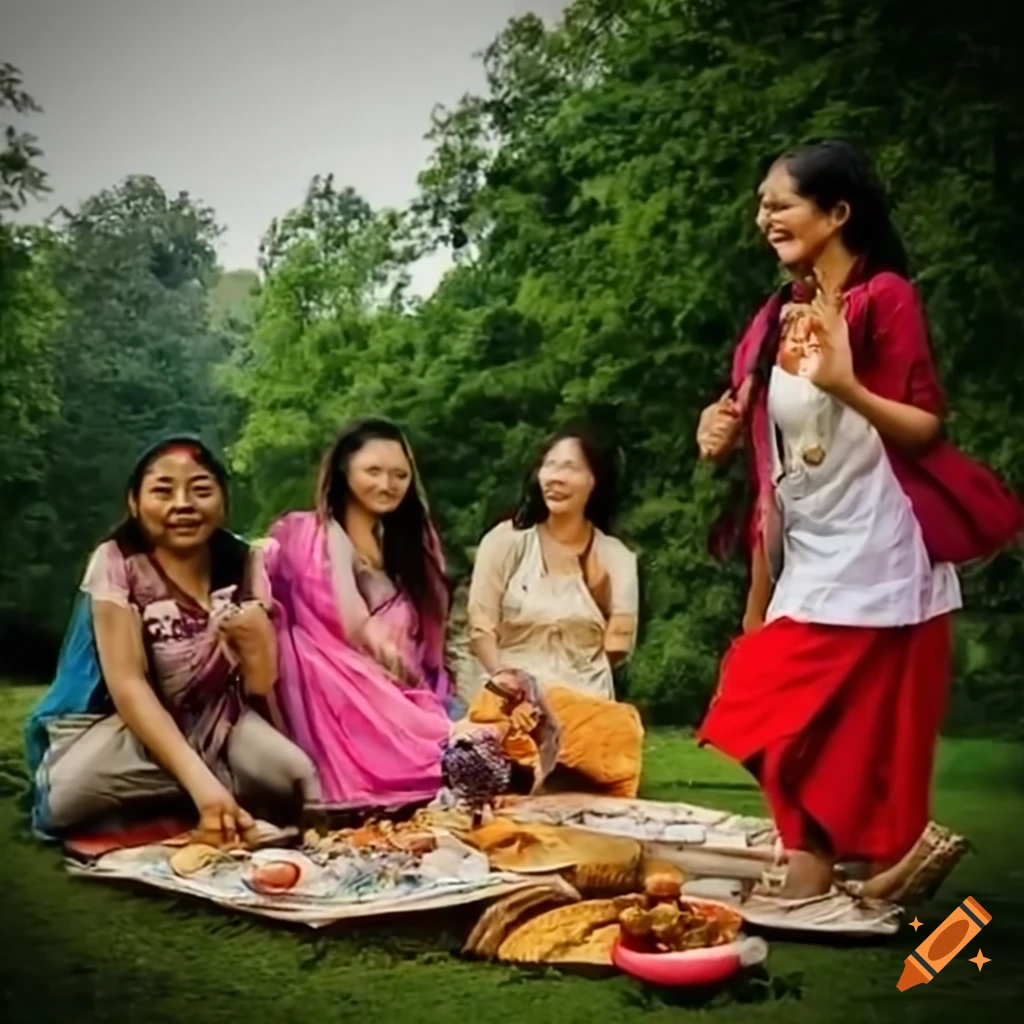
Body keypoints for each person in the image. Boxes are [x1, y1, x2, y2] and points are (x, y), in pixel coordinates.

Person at [695, 141, 1022, 901]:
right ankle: (817, 856)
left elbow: (924, 428)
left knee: (806, 711)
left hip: (880, 539)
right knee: (759, 699)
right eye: (761, 204)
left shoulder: (886, 300)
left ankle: (828, 860)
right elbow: (751, 425)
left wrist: (848, 385)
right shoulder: (776, 316)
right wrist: (715, 428)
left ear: (837, 212)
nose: (763, 217)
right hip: (809, 546)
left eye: (781, 203)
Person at [26, 436, 320, 844]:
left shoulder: (243, 561)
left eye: (200, 490)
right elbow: (127, 685)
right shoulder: (117, 561)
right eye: (163, 491)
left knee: (294, 777)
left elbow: (259, 684)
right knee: (67, 799)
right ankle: (204, 791)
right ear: (134, 502)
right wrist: (202, 785)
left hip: (218, 722)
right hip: (128, 727)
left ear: (223, 501)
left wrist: (256, 639)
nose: (183, 504)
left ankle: (193, 792)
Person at [264, 418, 453, 809]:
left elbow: (432, 629)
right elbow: (353, 626)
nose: (387, 485)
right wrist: (395, 666)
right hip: (350, 689)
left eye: (400, 474)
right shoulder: (321, 534)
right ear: (343, 470)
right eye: (374, 471)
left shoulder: (410, 541)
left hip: (408, 687)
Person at [465, 426, 644, 797]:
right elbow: (480, 626)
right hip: (509, 700)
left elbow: (619, 643)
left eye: (572, 468)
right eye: (550, 465)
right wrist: (506, 678)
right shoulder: (505, 542)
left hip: (585, 705)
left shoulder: (615, 557)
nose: (557, 477)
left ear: (597, 481)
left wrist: (562, 697)